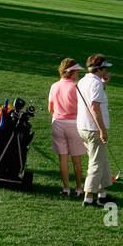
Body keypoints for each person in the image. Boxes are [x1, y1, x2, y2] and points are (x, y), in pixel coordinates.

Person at [74, 54, 114, 208]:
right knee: (96, 163)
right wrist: (102, 130)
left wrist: (104, 83)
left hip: (82, 126)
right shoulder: (96, 84)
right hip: (93, 128)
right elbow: (95, 107)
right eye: (105, 69)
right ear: (100, 69)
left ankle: (102, 194)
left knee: (101, 160)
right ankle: (88, 198)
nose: (107, 71)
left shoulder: (84, 81)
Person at [48, 58, 86, 197]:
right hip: (73, 124)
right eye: (76, 72)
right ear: (71, 72)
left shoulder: (54, 86)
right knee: (76, 160)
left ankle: (66, 189)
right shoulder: (76, 87)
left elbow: (50, 108)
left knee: (62, 159)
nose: (78, 74)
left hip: (57, 123)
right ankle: (79, 189)